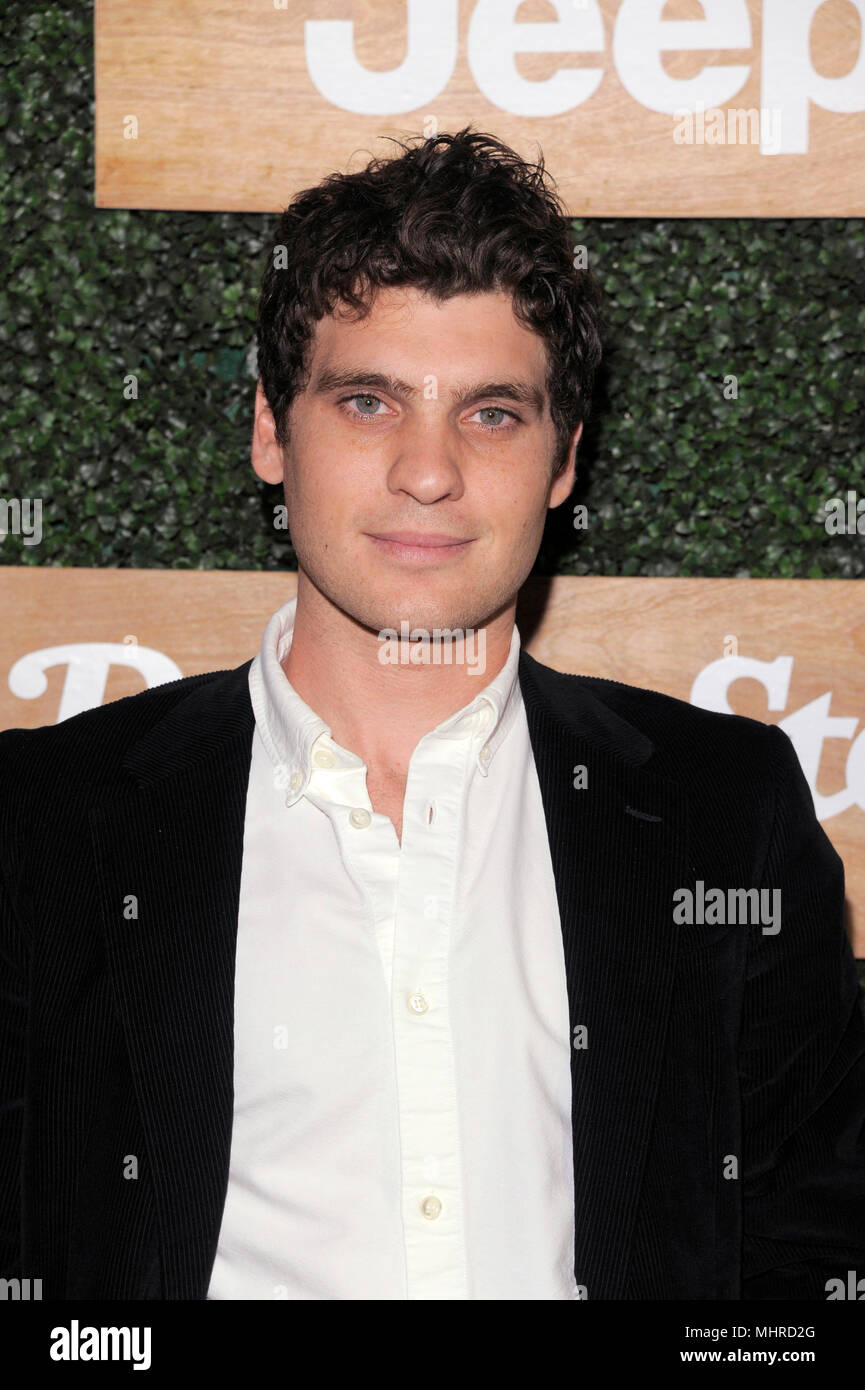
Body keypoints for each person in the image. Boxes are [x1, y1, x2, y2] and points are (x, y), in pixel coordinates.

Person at [1, 128, 863, 1301]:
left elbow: (810, 1254)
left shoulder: (726, 813)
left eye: (491, 414)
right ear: (270, 431)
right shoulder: (43, 822)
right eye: (367, 402)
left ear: (564, 459)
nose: (427, 470)